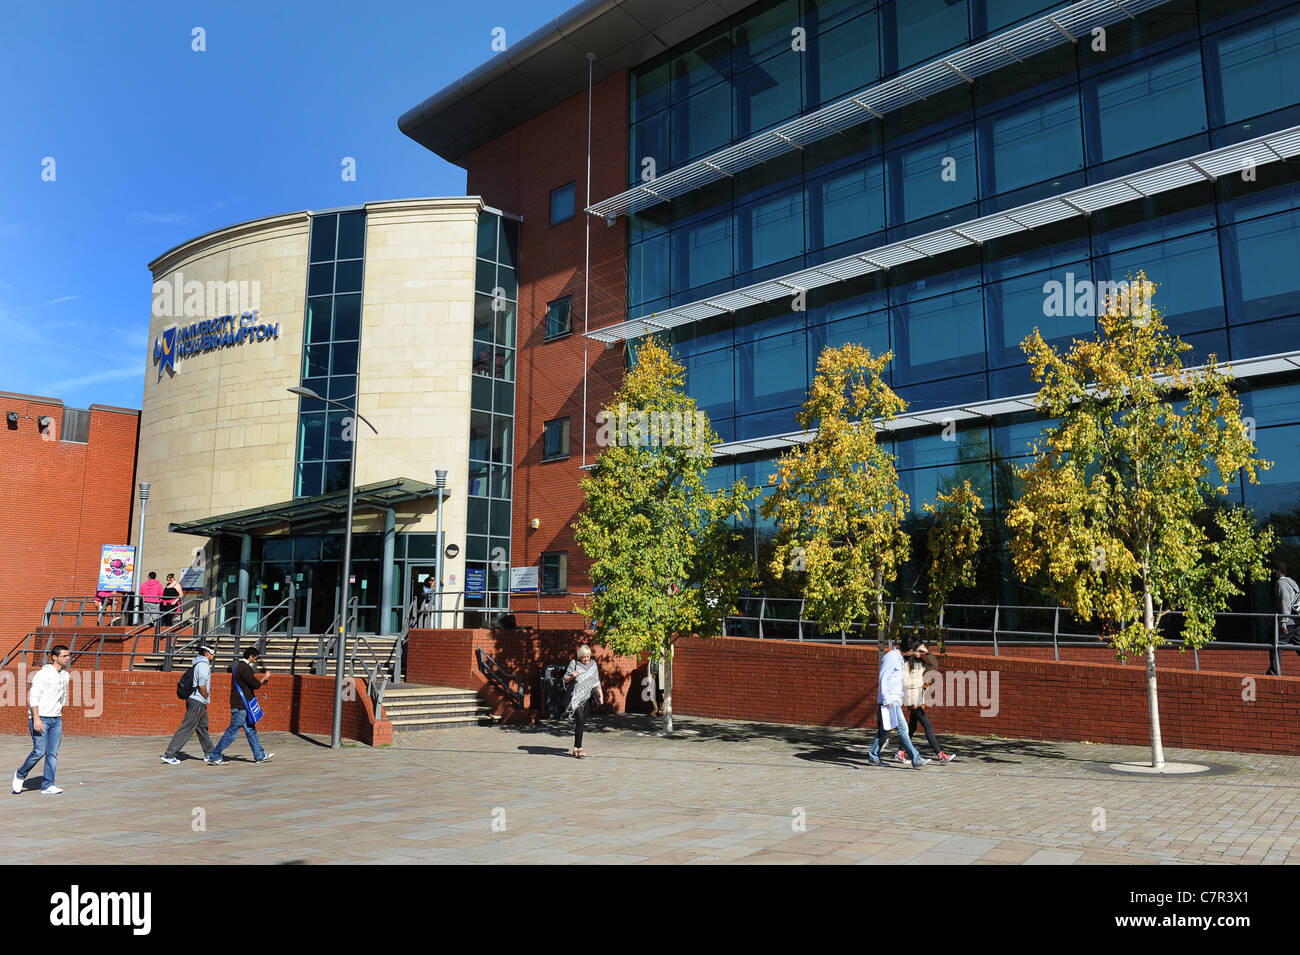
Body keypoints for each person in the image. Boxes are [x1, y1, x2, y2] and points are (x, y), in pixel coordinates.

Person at [12, 645, 72, 795]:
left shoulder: (65, 675)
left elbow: (63, 695)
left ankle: (48, 785)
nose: (67, 658)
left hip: (56, 719)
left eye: (68, 655)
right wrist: (36, 718)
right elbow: (34, 696)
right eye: (64, 656)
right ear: (54, 657)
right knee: (39, 751)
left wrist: (60, 711)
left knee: (52, 753)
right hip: (41, 718)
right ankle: (20, 774)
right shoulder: (43, 674)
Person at [867, 637, 929, 769]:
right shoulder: (892, 658)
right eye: (914, 650)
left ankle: (873, 756)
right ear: (909, 650)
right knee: (903, 729)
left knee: (885, 731)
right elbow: (883, 678)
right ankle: (916, 758)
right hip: (890, 701)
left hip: (893, 700)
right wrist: (887, 700)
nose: (914, 653)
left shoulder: (899, 658)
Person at [208, 647, 274, 764]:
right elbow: (255, 684)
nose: (255, 661)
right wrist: (265, 677)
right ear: (251, 656)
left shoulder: (238, 666)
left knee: (250, 730)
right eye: (255, 658)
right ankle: (215, 755)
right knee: (232, 732)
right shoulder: (244, 668)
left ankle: (259, 755)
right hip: (241, 706)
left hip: (241, 705)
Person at [897, 636, 955, 764]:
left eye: (921, 650)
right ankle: (941, 755)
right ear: (912, 649)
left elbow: (935, 666)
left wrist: (928, 652)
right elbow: (904, 682)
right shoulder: (905, 663)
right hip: (912, 698)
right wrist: (919, 684)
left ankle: (900, 753)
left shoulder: (921, 663)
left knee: (912, 727)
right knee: (927, 725)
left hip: (918, 697)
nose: (920, 652)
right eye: (919, 650)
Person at [160, 645, 215, 764]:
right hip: (198, 701)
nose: (214, 655)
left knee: (202, 727)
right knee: (187, 727)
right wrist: (206, 696)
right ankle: (169, 754)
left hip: (197, 701)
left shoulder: (198, 664)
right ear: (206, 653)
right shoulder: (203, 665)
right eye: (212, 653)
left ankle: (210, 753)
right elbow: (202, 685)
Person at [563, 644, 602, 758]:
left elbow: (596, 681)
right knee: (580, 719)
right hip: (575, 698)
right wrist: (572, 676)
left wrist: (601, 695)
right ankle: (579, 748)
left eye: (588, 656)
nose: (586, 659)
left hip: (587, 697)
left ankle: (575, 748)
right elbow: (565, 679)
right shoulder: (574, 663)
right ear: (580, 656)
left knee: (581, 722)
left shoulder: (593, 664)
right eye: (584, 657)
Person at [1267, 563, 1300, 676]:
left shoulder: (1281, 584)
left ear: (1278, 571)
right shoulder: (1292, 582)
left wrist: (1283, 622)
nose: (1272, 573)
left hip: (1288, 622)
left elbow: (1285, 602)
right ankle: (1273, 672)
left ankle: (1274, 673)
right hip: (1296, 621)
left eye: (1274, 571)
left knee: (1275, 646)